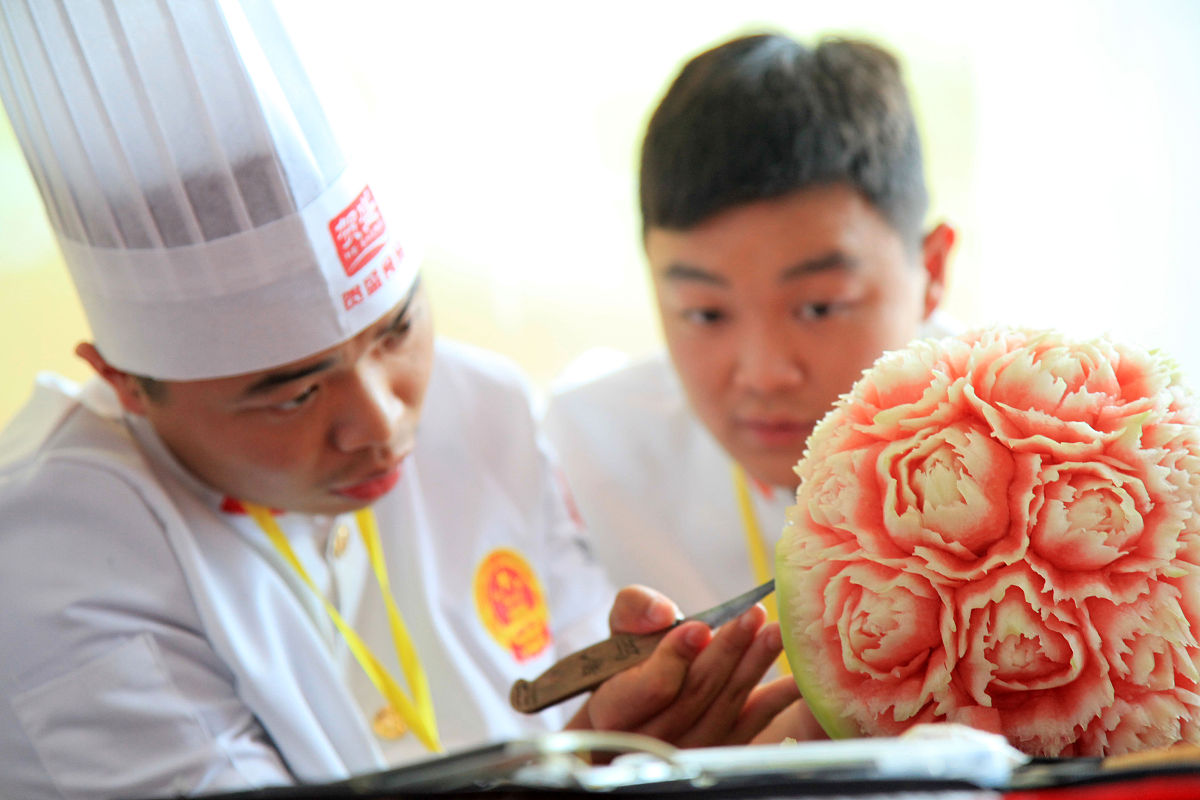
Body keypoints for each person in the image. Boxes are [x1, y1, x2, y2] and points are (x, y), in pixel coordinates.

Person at [0, 5, 802, 799]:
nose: (382, 422)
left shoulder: (483, 407)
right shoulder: (55, 544)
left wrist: (621, 741)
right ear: (126, 385)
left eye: (397, 331)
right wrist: (584, 776)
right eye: (295, 393)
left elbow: (590, 703)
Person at [543, 33, 958, 617]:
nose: (764, 375)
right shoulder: (585, 457)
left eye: (819, 307)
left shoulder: (1043, 467)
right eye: (705, 313)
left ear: (932, 271)